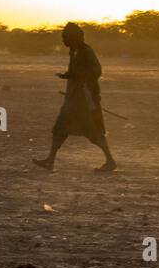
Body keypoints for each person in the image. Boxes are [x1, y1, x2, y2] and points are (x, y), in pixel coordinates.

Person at [33, 21, 116, 173]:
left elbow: (97, 71)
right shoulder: (74, 51)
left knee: (93, 131)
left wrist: (80, 78)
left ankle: (110, 161)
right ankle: (50, 160)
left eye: (66, 37)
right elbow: (75, 72)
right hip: (73, 99)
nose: (64, 40)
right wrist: (68, 76)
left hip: (85, 99)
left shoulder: (85, 50)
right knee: (59, 129)